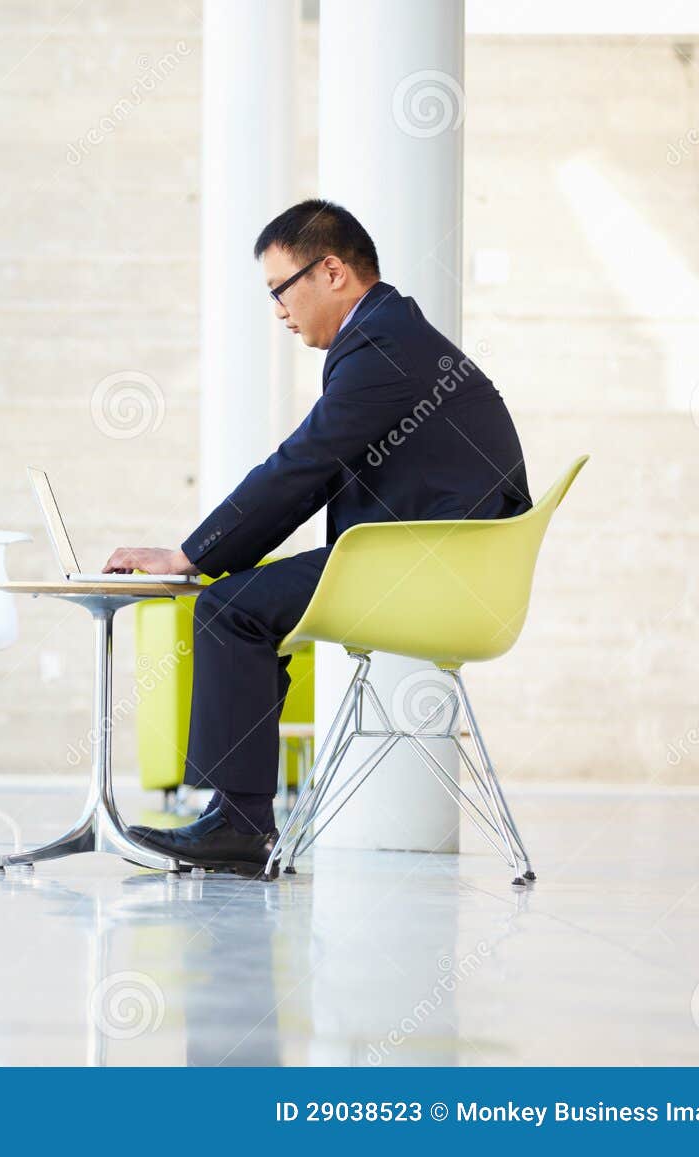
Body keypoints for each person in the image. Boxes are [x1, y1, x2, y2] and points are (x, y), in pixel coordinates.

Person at [103, 199, 531, 872]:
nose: (278, 310)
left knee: (229, 608)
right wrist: (211, 558)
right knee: (239, 601)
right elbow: (313, 472)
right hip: (439, 562)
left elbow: (303, 464)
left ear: (332, 272)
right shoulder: (390, 335)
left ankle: (239, 825)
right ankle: (238, 819)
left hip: (435, 569)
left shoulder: (384, 346)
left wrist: (191, 556)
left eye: (280, 288)